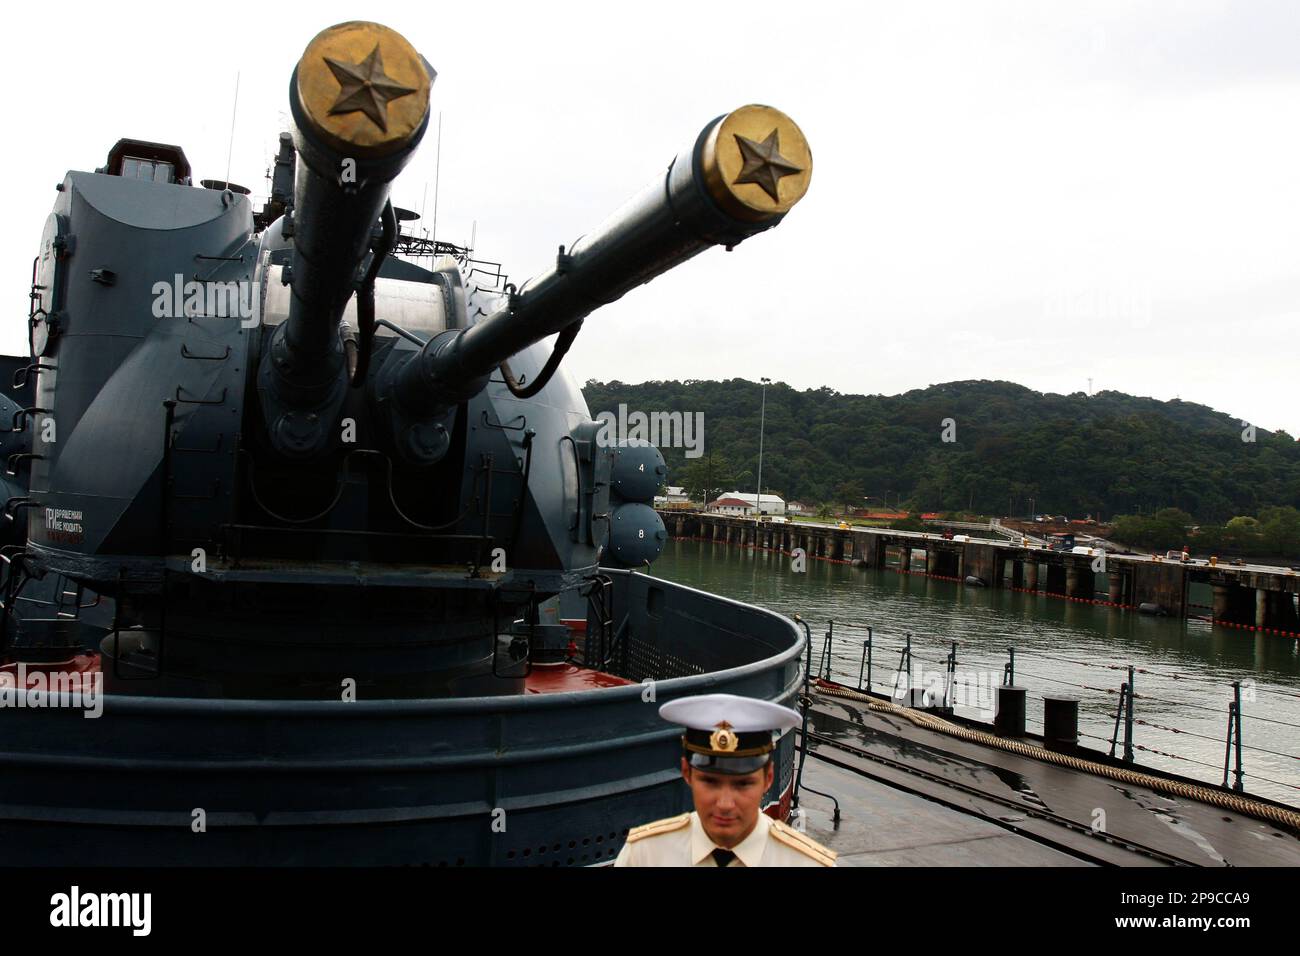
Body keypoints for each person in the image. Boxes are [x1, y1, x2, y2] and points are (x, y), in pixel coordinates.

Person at [613, 693, 836, 867]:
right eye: (710, 782)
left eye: (743, 784)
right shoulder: (643, 855)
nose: (725, 804)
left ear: (768, 777)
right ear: (686, 773)